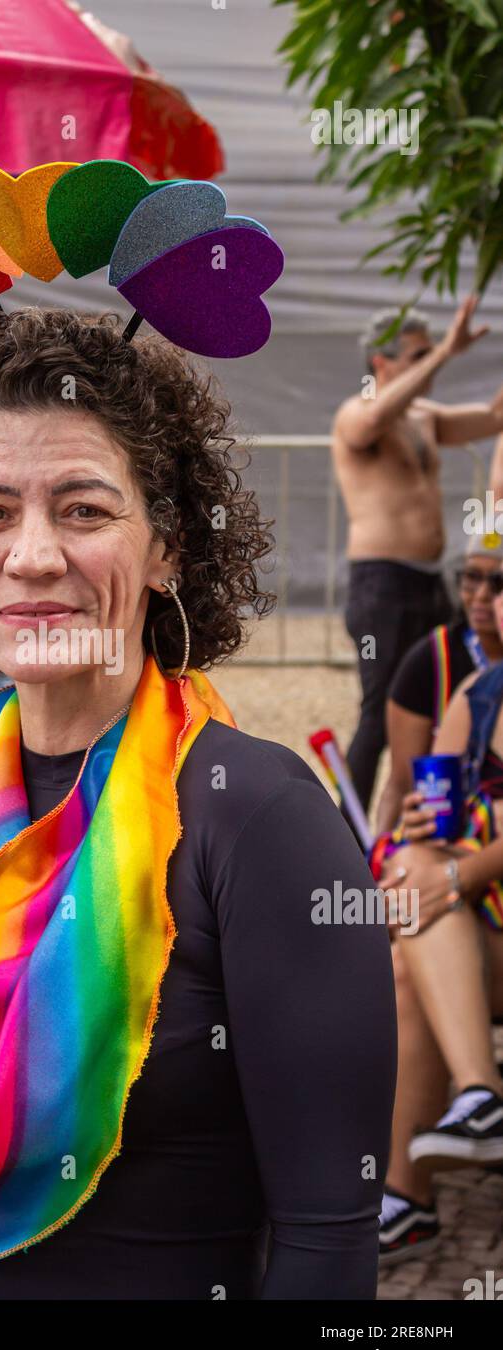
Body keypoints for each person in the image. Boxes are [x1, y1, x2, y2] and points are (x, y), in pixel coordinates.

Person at [0, 306, 397, 1302]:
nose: (33, 555)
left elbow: (325, 1242)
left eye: (82, 509)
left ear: (165, 543)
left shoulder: (257, 824)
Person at [333, 294, 503, 812]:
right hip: (381, 585)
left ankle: (437, 818)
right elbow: (373, 418)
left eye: (432, 352)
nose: (430, 363)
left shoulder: (425, 416)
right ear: (381, 363)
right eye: (418, 355)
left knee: (442, 694)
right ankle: (349, 835)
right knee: (379, 714)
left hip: (432, 581)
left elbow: (494, 417)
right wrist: (447, 352)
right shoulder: (357, 413)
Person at [376, 589, 503, 1262]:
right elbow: (426, 814)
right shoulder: (479, 697)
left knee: (420, 916)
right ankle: (479, 1098)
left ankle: (408, 1197)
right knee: (407, 949)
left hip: (479, 906)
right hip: (488, 926)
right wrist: (421, 832)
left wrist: (459, 871)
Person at [375, 541, 503, 834]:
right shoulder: (431, 660)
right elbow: (402, 785)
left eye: (498, 582)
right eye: (471, 577)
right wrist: (379, 860)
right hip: (447, 841)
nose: (482, 595)